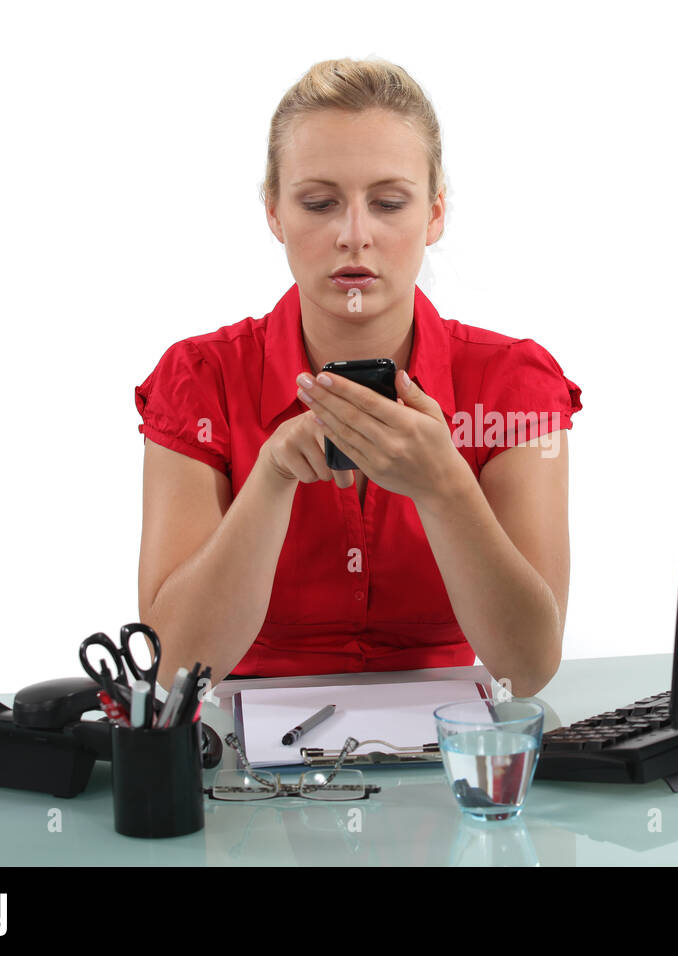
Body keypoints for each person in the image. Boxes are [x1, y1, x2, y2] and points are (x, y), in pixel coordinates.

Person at [134, 58, 582, 697]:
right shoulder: (198, 378)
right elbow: (174, 667)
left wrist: (444, 485)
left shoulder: (513, 384)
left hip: (454, 754)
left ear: (434, 215)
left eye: (389, 203)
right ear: (274, 214)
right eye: (319, 203)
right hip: (241, 761)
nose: (354, 236)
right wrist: (269, 480)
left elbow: (529, 667)